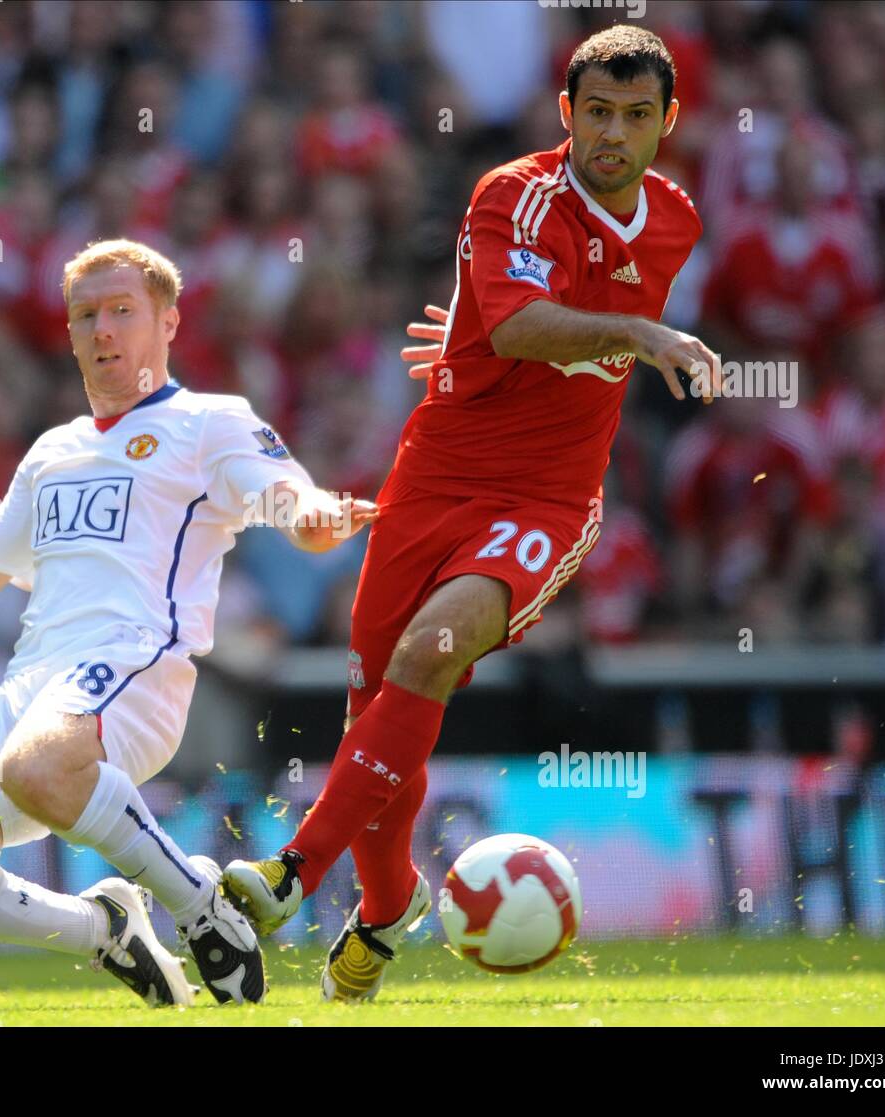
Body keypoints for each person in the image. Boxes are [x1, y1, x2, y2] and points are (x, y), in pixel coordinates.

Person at [223, 26, 717, 1002]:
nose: (611, 136)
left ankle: (288, 873)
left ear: (666, 123)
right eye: (595, 114)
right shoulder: (511, 192)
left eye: (634, 117)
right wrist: (623, 330)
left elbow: (528, 312)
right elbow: (527, 321)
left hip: (547, 492)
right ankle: (384, 906)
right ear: (564, 113)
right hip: (437, 474)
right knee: (378, 711)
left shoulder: (677, 219)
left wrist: (473, 335)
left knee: (426, 654)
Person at [0, 239, 377, 1007]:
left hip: (134, 666)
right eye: (86, 315)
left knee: (36, 766)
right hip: (32, 688)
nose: (103, 329)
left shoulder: (210, 422)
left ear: (168, 323)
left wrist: (317, 516)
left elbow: (289, 500)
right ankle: (103, 929)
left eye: (122, 311)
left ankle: (196, 905)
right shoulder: (53, 451)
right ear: (71, 334)